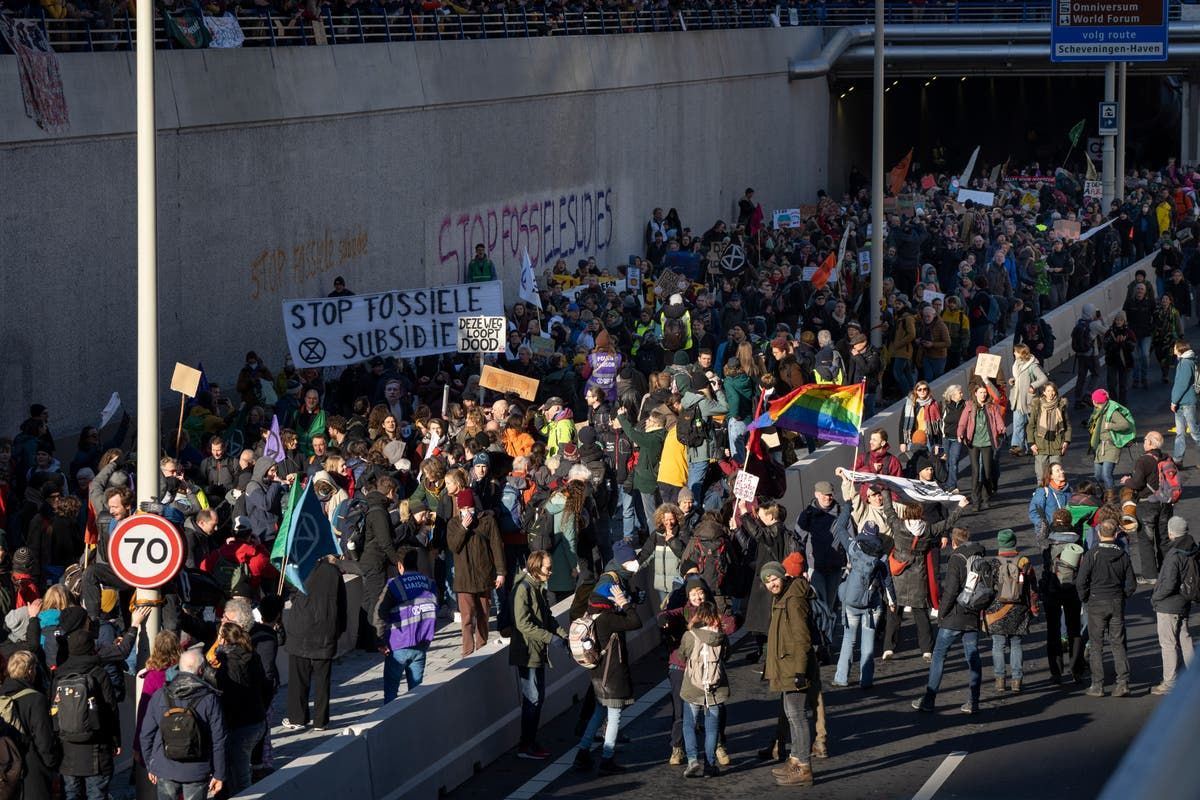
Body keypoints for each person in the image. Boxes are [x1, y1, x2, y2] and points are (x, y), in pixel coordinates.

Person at [572, 541, 644, 775]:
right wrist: (626, 604)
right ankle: (607, 757)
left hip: (597, 672)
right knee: (614, 716)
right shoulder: (608, 619)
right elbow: (635, 622)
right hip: (612, 673)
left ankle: (582, 753)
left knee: (599, 713)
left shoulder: (594, 618)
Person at [912, 526, 984, 715]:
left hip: (954, 615)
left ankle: (929, 699)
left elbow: (951, 590)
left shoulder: (956, 559)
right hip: (973, 613)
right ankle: (973, 700)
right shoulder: (979, 556)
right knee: (973, 656)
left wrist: (941, 612)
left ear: (954, 542)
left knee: (939, 655)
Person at [140, 649, 227, 800]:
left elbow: (146, 734)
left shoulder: (160, 695)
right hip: (197, 769)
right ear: (201, 670)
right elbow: (219, 739)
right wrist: (219, 773)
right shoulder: (209, 699)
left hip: (165, 766)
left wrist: (151, 764)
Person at [761, 561, 815, 787]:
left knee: (797, 715)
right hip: (787, 665)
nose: (771, 583)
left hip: (794, 667)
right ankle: (795, 760)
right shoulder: (783, 596)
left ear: (782, 576)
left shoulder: (792, 600)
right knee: (791, 713)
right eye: (767, 581)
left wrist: (800, 671)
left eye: (774, 578)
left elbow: (802, 636)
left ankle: (803, 766)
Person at [509, 550, 567, 760]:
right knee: (532, 699)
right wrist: (552, 639)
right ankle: (526, 744)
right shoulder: (523, 589)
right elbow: (523, 623)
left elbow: (547, 617)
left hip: (536, 650)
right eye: (547, 568)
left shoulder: (537, 587)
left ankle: (530, 741)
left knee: (537, 698)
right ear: (536, 567)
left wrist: (564, 635)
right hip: (527, 652)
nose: (550, 572)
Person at [1077, 519, 1137, 698]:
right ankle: (1123, 682)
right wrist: (1122, 595)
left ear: (1098, 534)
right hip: (1116, 601)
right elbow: (1131, 584)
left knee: (1096, 645)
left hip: (1096, 601)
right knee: (1118, 643)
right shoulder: (1123, 555)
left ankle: (1098, 684)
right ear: (1116, 534)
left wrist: (1085, 598)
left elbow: (1081, 582)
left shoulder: (1092, 554)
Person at [446, 486, 506, 657]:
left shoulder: (486, 521)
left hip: (484, 575)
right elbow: (453, 547)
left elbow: (496, 546)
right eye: (463, 508)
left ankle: (482, 648)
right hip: (464, 579)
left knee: (483, 615)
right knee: (466, 618)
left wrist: (500, 572)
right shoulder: (453, 524)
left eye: (469, 508)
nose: (467, 512)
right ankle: (467, 651)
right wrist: (463, 529)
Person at [832, 522, 893, 689]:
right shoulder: (881, 557)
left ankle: (841, 677)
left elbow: (841, 529)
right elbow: (887, 580)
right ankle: (866, 680)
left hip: (852, 603)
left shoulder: (853, 549)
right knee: (868, 643)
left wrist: (847, 506)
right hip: (872, 605)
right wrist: (892, 600)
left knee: (848, 640)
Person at [376, 548, 438, 702]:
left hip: (398, 645)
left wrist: (380, 640)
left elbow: (380, 613)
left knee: (391, 695)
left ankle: (391, 726)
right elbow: (435, 607)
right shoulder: (429, 583)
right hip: (421, 644)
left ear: (400, 566)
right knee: (416, 696)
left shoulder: (394, 585)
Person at [678, 600, 730, 779]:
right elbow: (726, 656)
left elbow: (682, 655)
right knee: (711, 729)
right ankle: (710, 765)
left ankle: (692, 760)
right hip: (715, 689)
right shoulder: (721, 636)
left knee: (689, 725)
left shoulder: (689, 635)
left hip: (693, 686)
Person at [985, 529, 1040, 693]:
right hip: (1019, 608)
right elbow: (1033, 588)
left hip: (997, 610)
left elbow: (988, 589)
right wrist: (1034, 608)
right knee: (1016, 644)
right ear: (1014, 542)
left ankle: (1000, 680)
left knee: (998, 645)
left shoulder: (994, 563)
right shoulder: (1024, 562)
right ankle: (1017, 680)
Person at [1, 649, 60, 800]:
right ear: (30, 671)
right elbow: (43, 739)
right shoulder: (36, 699)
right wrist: (51, 764)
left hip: (7, 767)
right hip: (32, 769)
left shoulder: (2, 695)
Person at [1149, 517, 1197, 695]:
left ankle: (1170, 682)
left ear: (1171, 532)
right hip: (1184, 600)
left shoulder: (1174, 553)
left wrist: (1156, 596)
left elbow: (1168, 583)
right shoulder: (1191, 547)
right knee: (1185, 639)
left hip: (1169, 604)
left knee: (1168, 644)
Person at [1122, 431, 1173, 581]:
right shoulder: (1166, 458)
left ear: (1150, 443)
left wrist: (1126, 481)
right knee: (1164, 539)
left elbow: (1137, 483)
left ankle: (1151, 576)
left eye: (1145, 440)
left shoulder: (1144, 460)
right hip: (1165, 503)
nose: (1143, 442)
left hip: (1147, 505)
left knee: (1146, 540)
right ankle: (1166, 572)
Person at [794, 481, 844, 613]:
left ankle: (829, 632)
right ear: (816, 494)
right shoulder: (807, 515)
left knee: (831, 604)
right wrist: (802, 567)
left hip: (835, 567)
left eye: (830, 495)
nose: (828, 498)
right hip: (814, 567)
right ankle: (822, 632)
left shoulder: (841, 513)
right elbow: (798, 541)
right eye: (824, 495)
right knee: (819, 605)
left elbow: (850, 538)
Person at [956, 383, 1005, 509]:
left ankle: (986, 497)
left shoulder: (991, 407)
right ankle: (976, 501)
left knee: (987, 472)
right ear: (975, 394)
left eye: (985, 392)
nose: (983, 395)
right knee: (976, 471)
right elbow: (962, 423)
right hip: (973, 443)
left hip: (987, 443)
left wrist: (1001, 428)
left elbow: (999, 420)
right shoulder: (969, 407)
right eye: (981, 392)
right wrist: (960, 434)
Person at [1087, 389, 1134, 491]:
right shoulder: (1098, 411)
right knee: (1098, 475)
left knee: (1106, 474)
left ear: (1095, 401)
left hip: (1111, 446)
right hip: (1100, 447)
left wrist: (1110, 425)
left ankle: (1110, 497)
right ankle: (1104, 493)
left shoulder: (1112, 411)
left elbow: (1125, 424)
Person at [1009, 344, 1048, 458]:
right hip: (1017, 400)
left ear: (1021, 353)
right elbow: (1019, 379)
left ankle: (1031, 446)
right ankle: (1018, 446)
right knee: (1018, 424)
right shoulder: (1017, 364)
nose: (1014, 353)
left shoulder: (1032, 366)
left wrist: (1033, 385)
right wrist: (1014, 381)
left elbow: (1043, 378)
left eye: (1016, 352)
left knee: (1030, 425)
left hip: (1029, 400)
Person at [1027, 381, 1071, 481]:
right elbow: (1031, 426)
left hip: (1056, 446)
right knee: (1041, 477)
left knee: (1057, 477)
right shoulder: (1037, 405)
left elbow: (1067, 426)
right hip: (1040, 447)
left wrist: (1066, 441)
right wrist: (1031, 443)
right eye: (1048, 391)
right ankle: (1042, 496)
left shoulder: (1061, 405)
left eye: (1053, 391)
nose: (1051, 393)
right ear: (1044, 392)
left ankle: (1055, 496)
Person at [1169, 340, 1200, 466]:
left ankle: (1178, 459)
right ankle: (1177, 460)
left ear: (1180, 349)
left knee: (1194, 432)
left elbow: (1181, 384)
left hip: (1185, 403)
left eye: (1175, 347)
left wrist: (1174, 401)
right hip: (1183, 403)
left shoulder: (1185, 363)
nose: (1173, 349)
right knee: (1180, 433)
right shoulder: (1186, 360)